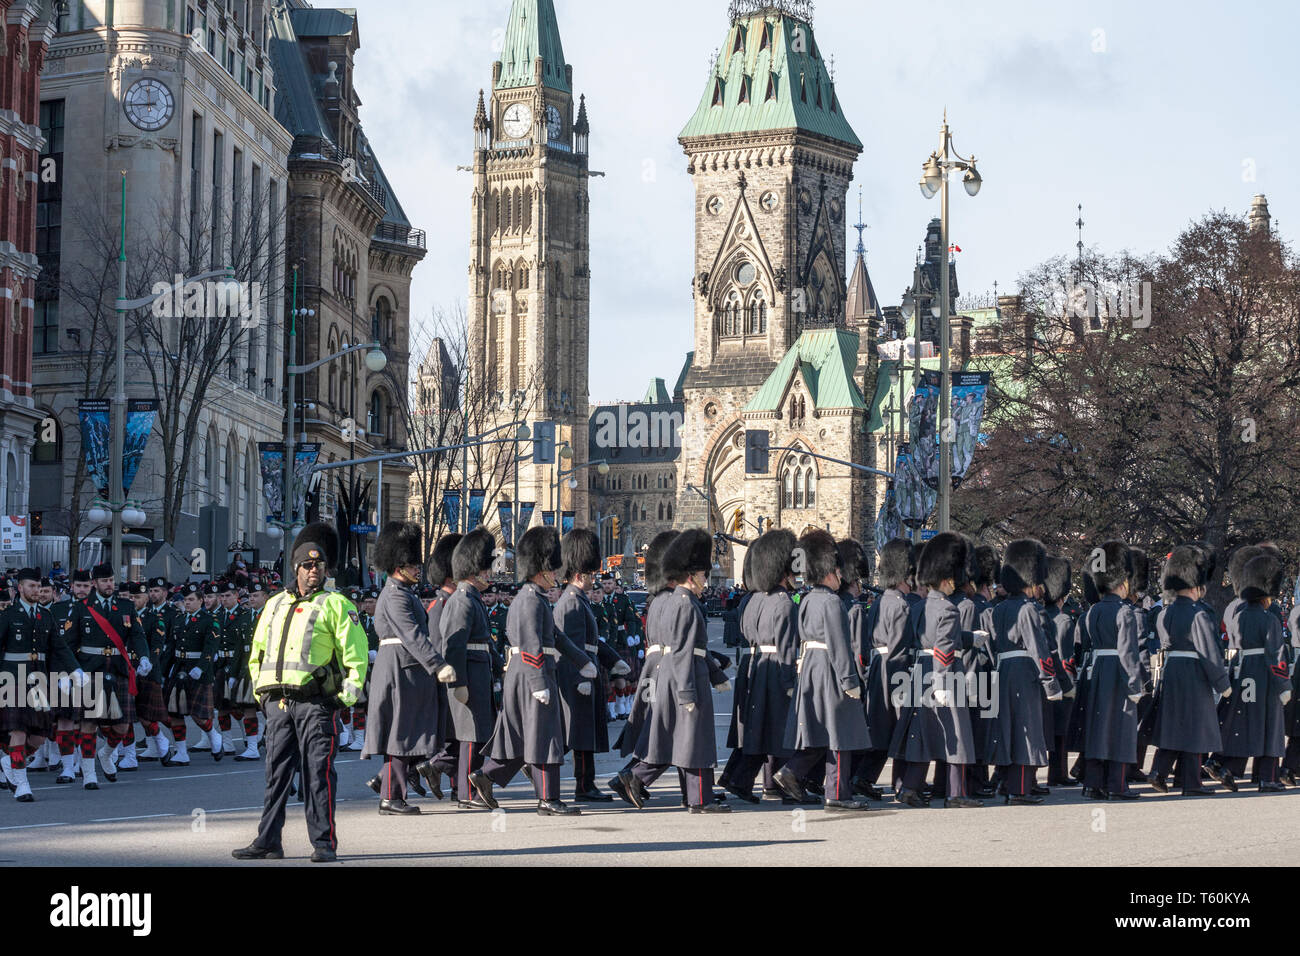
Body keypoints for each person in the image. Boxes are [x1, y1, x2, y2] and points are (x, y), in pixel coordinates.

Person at [232, 523, 368, 863]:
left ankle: (323, 843)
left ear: (325, 569)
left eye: (318, 565)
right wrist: (262, 695)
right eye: (307, 566)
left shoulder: (337, 604)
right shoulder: (275, 603)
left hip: (316, 705)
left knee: (318, 774)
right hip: (278, 703)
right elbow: (257, 652)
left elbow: (356, 658)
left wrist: (341, 700)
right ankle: (268, 841)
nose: (312, 571)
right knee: (275, 775)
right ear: (296, 568)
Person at [470, 526, 589, 815]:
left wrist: (582, 661)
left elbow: (556, 638)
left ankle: (485, 776)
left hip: (532, 673)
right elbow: (532, 644)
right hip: (531, 674)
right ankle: (548, 798)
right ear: (542, 569)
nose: (557, 575)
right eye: (553, 569)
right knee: (545, 736)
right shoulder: (530, 600)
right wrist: (539, 682)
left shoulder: (536, 598)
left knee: (527, 738)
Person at [622, 529, 730, 813]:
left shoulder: (679, 601)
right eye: (703, 575)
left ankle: (697, 797)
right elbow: (683, 651)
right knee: (693, 737)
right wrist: (687, 691)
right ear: (692, 575)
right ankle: (687, 794)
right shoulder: (684, 604)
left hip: (687, 673)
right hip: (687, 676)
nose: (706, 581)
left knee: (690, 739)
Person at [771, 530, 872, 812]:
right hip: (829, 669)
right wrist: (850, 680)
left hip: (812, 668)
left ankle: (791, 772)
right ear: (830, 571)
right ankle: (837, 794)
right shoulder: (831, 601)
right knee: (840, 734)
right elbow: (840, 645)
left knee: (820, 733)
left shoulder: (807, 599)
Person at [362, 521, 457, 815]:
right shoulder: (394, 596)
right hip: (399, 671)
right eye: (413, 564)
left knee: (406, 737)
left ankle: (390, 791)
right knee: (400, 738)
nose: (418, 569)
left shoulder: (403, 593)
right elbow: (412, 635)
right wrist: (437, 664)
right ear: (398, 565)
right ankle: (391, 796)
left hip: (407, 670)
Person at [891, 533, 983, 808]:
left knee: (923, 735)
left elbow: (925, 640)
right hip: (944, 674)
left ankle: (909, 788)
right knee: (957, 733)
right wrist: (944, 682)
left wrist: (968, 638)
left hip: (921, 673)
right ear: (946, 577)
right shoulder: (949, 610)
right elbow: (943, 647)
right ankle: (956, 794)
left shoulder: (919, 606)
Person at [985, 539, 1064, 804]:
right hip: (1024, 673)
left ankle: (1008, 784)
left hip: (1003, 671)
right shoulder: (1029, 609)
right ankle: (1019, 789)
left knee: (1008, 728)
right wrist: (1050, 682)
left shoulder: (999, 609)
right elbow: (1038, 648)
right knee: (1026, 729)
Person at [1206, 551, 1291, 792]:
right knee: (1270, 727)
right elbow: (1276, 654)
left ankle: (1227, 766)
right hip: (1264, 675)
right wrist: (1284, 686)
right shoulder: (1268, 619)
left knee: (1242, 724)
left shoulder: (1237, 615)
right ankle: (1267, 777)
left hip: (1242, 670)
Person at [554, 528, 629, 802]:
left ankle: (585, 784)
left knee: (581, 734)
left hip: (589, 670)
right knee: (581, 736)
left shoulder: (579, 600)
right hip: (579, 676)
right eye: (590, 574)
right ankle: (584, 786)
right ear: (578, 575)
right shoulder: (571, 603)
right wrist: (581, 678)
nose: (594, 578)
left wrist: (615, 662)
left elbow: (592, 642)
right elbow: (572, 647)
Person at [63, 563, 154, 789]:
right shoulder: (82, 607)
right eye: (104, 581)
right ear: (95, 583)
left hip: (118, 669)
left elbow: (138, 636)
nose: (109, 585)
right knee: (89, 723)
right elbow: (68, 644)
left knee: (122, 726)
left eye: (112, 580)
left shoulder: (125, 606)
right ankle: (88, 773)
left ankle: (105, 754)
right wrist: (69, 671)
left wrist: (144, 657)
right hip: (91, 670)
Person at [1147, 546, 1228, 795]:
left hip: (1172, 670)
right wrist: (1222, 682)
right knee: (1196, 727)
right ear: (1196, 585)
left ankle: (1159, 771)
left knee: (1173, 725)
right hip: (1194, 672)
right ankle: (1192, 783)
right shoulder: (1198, 614)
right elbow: (1209, 652)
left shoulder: (1165, 612)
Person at [0, 568, 77, 802]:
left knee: (40, 736)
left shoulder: (46, 615)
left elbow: (60, 647)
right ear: (19, 588)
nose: (35, 591)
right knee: (19, 731)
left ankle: (9, 761)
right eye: (30, 586)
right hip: (12, 678)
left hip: (39, 679)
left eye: (38, 586)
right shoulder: (7, 616)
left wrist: (75, 669)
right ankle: (22, 784)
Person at [439, 528, 499, 810]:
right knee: (470, 738)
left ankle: (469, 790)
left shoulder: (471, 597)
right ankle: (466, 793)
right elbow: (454, 645)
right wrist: (458, 682)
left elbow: (483, 643)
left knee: (476, 736)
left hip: (478, 674)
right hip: (468, 678)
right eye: (485, 569)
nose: (489, 575)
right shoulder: (462, 599)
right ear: (474, 570)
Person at [1080, 541, 1143, 800]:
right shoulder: (1124, 612)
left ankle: (1093, 783)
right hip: (1118, 672)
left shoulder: (1093, 610)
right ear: (1122, 582)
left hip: (1097, 671)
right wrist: (1135, 683)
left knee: (1098, 728)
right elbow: (1128, 651)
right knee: (1121, 727)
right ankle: (1117, 785)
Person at [855, 538, 917, 797]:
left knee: (880, 729)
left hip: (879, 666)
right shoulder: (901, 604)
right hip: (894, 671)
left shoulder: (882, 600)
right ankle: (901, 783)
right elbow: (900, 649)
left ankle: (864, 777)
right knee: (901, 728)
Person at [159, 583, 222, 767]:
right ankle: (182, 752)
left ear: (201, 601)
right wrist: (163, 671)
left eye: (191, 599)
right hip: (179, 669)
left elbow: (211, 647)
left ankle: (213, 735)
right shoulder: (178, 620)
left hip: (198, 672)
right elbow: (171, 647)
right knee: (175, 713)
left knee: (199, 716)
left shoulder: (209, 620)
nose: (187, 603)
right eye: (185, 599)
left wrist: (201, 668)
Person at [1042, 557, 1079, 787]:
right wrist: (1069, 683)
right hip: (1060, 679)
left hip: (1044, 678)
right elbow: (1066, 657)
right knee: (1061, 731)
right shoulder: (1064, 619)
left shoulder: (1039, 612)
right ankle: (1058, 773)